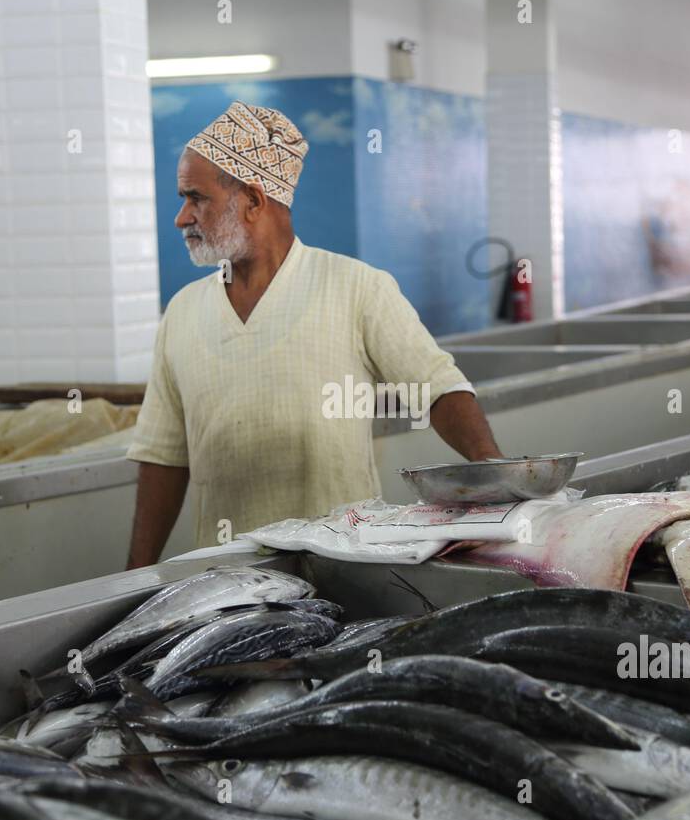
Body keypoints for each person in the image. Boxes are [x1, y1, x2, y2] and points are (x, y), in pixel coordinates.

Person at [125, 101, 501, 567]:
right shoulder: (183, 312)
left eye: (195, 197)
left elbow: (437, 387)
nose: (182, 217)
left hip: (346, 566)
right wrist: (136, 577)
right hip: (227, 575)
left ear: (254, 200)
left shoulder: (357, 287)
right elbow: (164, 456)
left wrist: (497, 479)